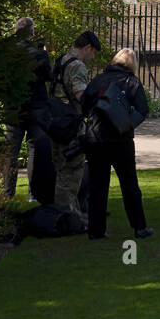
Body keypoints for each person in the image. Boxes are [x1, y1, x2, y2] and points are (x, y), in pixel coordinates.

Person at [82, 47, 153, 239]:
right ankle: (139, 227)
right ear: (133, 65)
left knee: (97, 186)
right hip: (120, 141)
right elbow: (142, 109)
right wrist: (126, 124)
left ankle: (96, 230)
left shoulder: (98, 80)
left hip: (96, 139)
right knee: (129, 184)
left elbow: (84, 104)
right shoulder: (132, 82)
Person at [49, 30, 101, 216]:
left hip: (57, 124)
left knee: (61, 168)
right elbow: (81, 95)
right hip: (71, 125)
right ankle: (67, 216)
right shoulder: (77, 66)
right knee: (71, 172)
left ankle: (70, 212)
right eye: (93, 52)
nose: (92, 57)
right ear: (87, 48)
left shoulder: (62, 60)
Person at [4, 16, 55, 203]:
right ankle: (34, 193)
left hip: (14, 106)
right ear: (32, 33)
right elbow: (49, 76)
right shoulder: (38, 54)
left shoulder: (7, 53)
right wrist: (45, 54)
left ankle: (7, 193)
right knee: (34, 149)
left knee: (11, 151)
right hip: (36, 106)